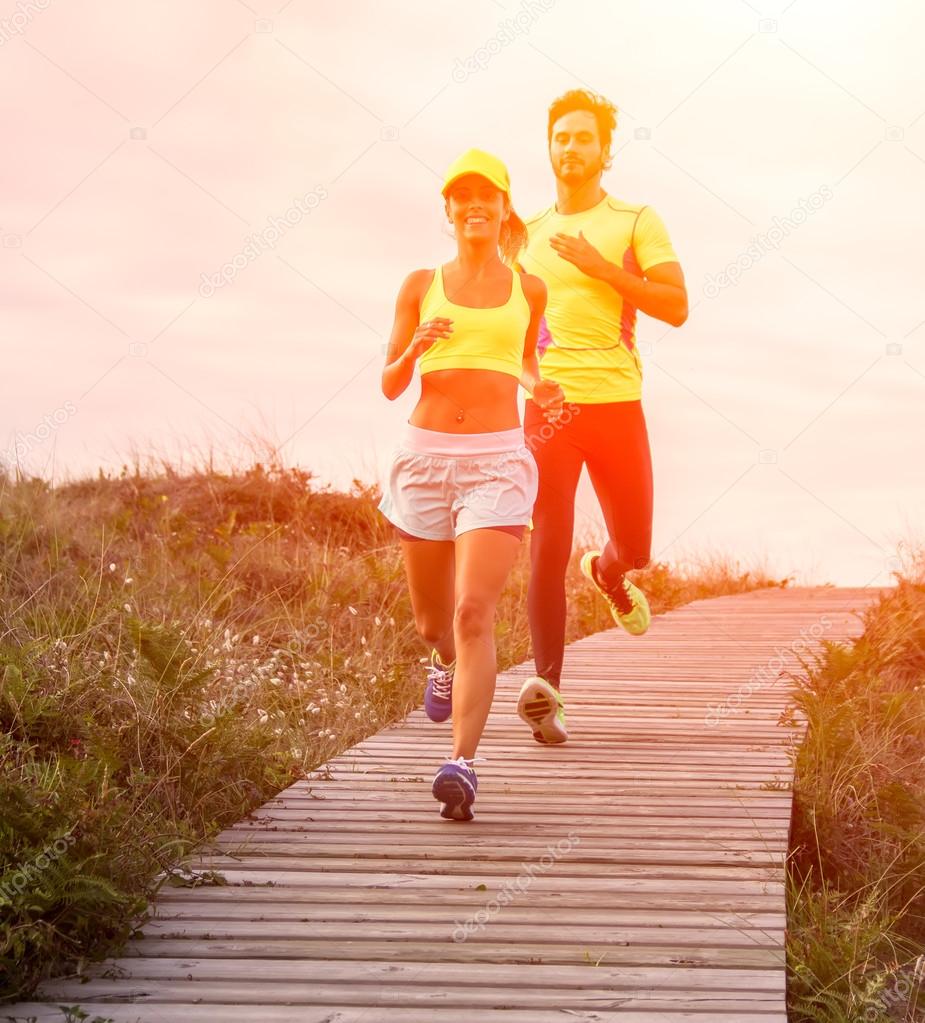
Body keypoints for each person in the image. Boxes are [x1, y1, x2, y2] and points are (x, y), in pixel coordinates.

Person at [378, 148, 560, 819]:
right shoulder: (417, 283)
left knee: (471, 611)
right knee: (433, 622)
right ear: (448, 210)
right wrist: (414, 346)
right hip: (424, 458)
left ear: (503, 207)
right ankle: (444, 664)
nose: (475, 205)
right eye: (463, 196)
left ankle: (461, 760)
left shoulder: (528, 288)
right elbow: (390, 381)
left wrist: (548, 388)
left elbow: (527, 367)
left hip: (495, 460)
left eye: (488, 195)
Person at [514, 90, 689, 745]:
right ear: (549, 146)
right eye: (561, 136)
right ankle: (549, 695)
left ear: (604, 151)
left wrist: (599, 268)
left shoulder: (635, 221)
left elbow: (675, 305)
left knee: (636, 545)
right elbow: (510, 337)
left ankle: (609, 572)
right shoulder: (523, 236)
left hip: (617, 404)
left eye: (583, 137)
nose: (571, 147)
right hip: (548, 413)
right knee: (545, 546)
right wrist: (534, 383)